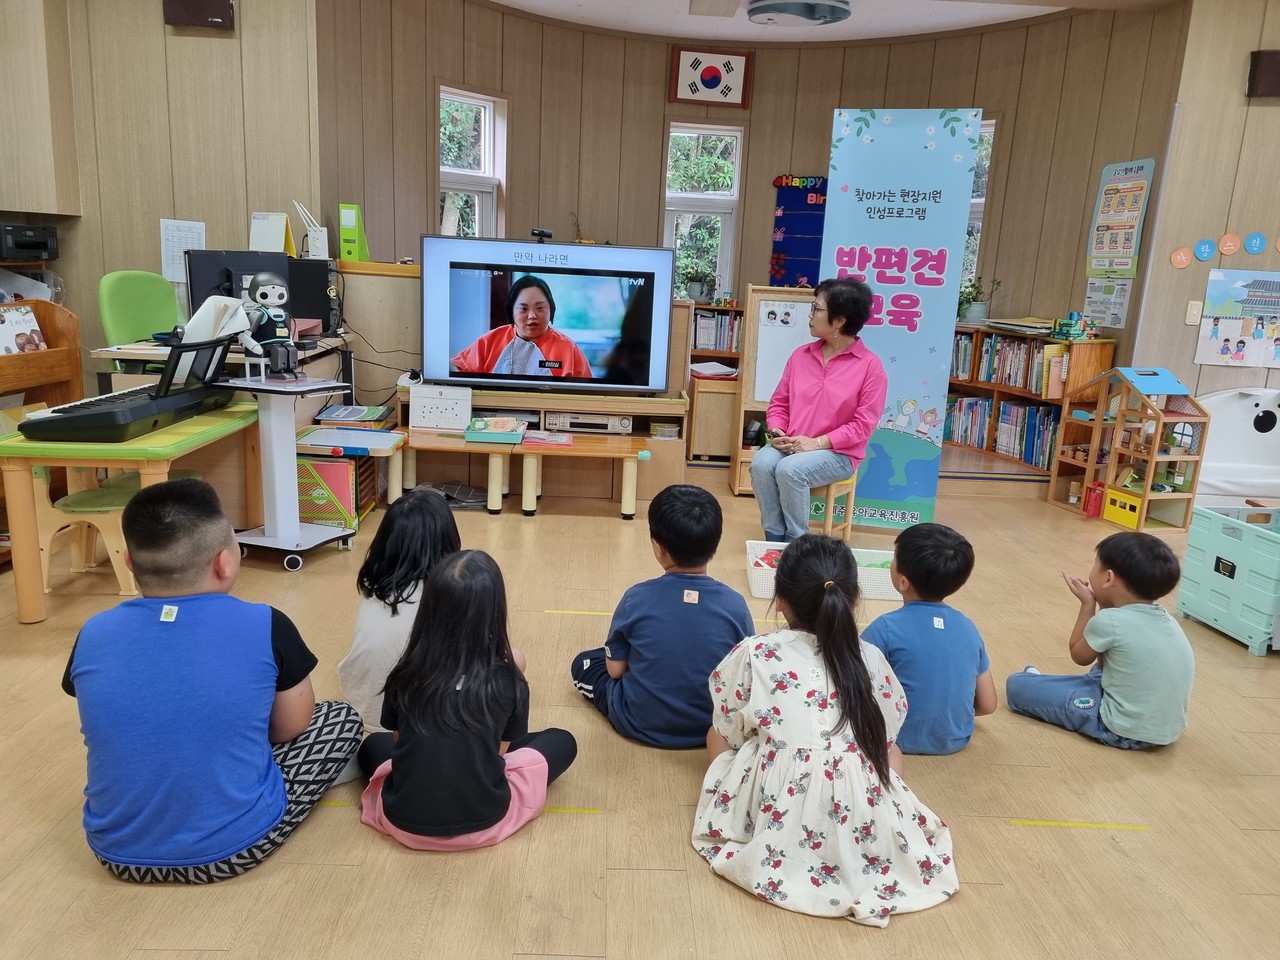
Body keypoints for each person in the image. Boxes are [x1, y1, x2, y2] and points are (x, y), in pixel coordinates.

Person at [61, 479, 362, 883]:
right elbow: (291, 727)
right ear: (225, 561)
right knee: (339, 718)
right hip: (231, 851)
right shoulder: (265, 623)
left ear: (130, 563)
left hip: (116, 853)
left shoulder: (93, 632)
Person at [692, 535, 958, 925]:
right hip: (861, 800)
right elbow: (888, 726)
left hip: (783, 796)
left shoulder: (756, 651)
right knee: (888, 751)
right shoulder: (870, 656)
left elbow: (729, 726)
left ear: (780, 600)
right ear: (854, 598)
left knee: (718, 736)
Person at [358, 550, 577, 850]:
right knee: (561, 740)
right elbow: (497, 756)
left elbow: (399, 741)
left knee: (373, 745)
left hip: (404, 822)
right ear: (495, 610)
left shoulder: (404, 674)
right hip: (486, 820)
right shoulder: (509, 681)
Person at [568, 484, 756, 747]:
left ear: (658, 547)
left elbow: (615, 670)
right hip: (711, 726)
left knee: (586, 663)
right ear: (715, 543)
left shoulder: (637, 597)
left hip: (638, 722)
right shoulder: (735, 604)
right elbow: (743, 674)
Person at [1005, 532, 1195, 749]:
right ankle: (1052, 686)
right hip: (1165, 729)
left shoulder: (1110, 621)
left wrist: (1087, 605)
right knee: (1105, 669)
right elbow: (1107, 664)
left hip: (1120, 729)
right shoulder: (1165, 618)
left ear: (1108, 578)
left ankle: (1039, 685)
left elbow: (1079, 655)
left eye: (1095, 565)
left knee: (1017, 685)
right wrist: (1105, 605)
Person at [751, 278, 888, 541]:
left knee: (790, 470)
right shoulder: (800, 356)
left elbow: (862, 427)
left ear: (839, 321)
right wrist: (778, 430)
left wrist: (815, 443)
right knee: (761, 463)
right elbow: (780, 402)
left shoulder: (871, 367)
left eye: (816, 309)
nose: (810, 316)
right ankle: (774, 538)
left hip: (838, 454)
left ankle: (798, 543)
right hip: (792, 444)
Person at [862, 523, 997, 755]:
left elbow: (851, 688)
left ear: (903, 582)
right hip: (956, 739)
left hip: (892, 740)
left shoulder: (884, 628)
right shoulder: (968, 627)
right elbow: (987, 704)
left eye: (894, 558)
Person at [338, 487, 462, 733]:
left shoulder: (374, 582)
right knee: (514, 661)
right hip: (421, 721)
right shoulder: (451, 589)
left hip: (362, 709)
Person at [450, 275, 592, 378]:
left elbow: (587, 391)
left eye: (540, 308)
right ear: (511, 310)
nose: (532, 316)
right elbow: (455, 369)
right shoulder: (490, 341)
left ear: (551, 309)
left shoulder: (567, 348)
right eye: (523, 309)